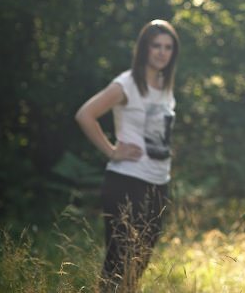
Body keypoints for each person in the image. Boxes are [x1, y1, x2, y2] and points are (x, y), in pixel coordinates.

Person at [75, 19, 180, 293]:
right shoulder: (127, 84)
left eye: (168, 47)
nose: (161, 52)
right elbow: (85, 115)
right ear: (144, 48)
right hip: (126, 180)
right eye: (156, 45)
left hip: (159, 183)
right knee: (117, 262)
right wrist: (112, 150)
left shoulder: (164, 85)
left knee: (139, 263)